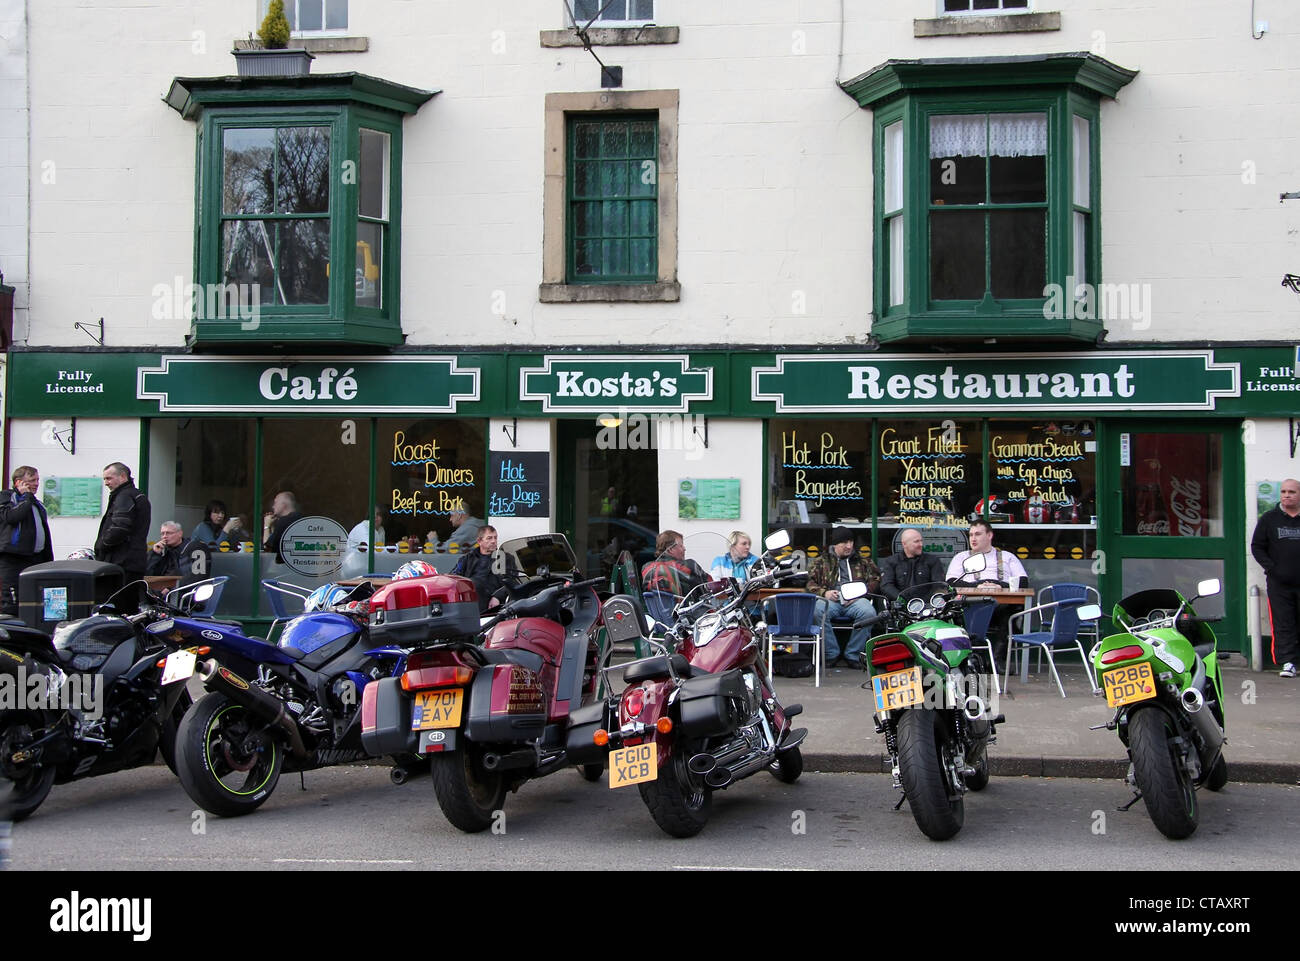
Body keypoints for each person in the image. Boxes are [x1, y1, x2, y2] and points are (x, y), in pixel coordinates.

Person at [946, 520, 1029, 662]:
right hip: (971, 606)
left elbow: (1023, 581)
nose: (973, 538)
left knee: (1009, 616)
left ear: (989, 535)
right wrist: (977, 586)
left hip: (1001, 607)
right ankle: (975, 660)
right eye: (971, 534)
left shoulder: (1007, 557)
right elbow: (951, 582)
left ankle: (997, 661)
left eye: (977, 534)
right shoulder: (962, 557)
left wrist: (1000, 585)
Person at [808, 527, 880, 669]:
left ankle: (853, 654)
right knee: (817, 610)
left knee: (869, 613)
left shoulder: (863, 561)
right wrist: (824, 593)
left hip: (856, 600)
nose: (849, 546)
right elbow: (810, 582)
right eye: (844, 543)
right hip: (832, 600)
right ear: (835, 544)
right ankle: (831, 653)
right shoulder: (821, 561)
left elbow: (875, 579)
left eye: (851, 541)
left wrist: (860, 593)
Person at [1251, 478, 1300, 677]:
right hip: (1280, 583)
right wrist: (1273, 568)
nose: (1287, 495)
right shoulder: (1269, 519)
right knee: (1283, 623)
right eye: (1284, 492)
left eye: (1292, 492)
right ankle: (1288, 663)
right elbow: (1257, 547)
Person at [0, 466, 53, 616]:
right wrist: (26, 497)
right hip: (13, 559)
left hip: (35, 559)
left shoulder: (36, 503)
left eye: (37, 480)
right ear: (19, 482)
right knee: (12, 601)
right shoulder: (7, 497)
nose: (36, 484)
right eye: (32, 480)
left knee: (35, 599)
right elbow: (11, 517)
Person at [95, 462, 151, 581]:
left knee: (116, 598)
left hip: (121, 562)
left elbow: (119, 528)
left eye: (109, 478)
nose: (106, 483)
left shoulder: (124, 496)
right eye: (104, 479)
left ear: (123, 476)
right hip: (134, 562)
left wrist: (101, 546)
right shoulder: (137, 496)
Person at [451, 525, 518, 613]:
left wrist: (498, 597)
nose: (494, 541)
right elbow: (454, 577)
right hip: (471, 599)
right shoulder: (467, 559)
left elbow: (511, 581)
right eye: (489, 538)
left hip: (495, 601)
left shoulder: (504, 558)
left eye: (495, 538)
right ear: (479, 541)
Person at [879, 528, 947, 600]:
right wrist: (901, 599)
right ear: (904, 544)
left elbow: (938, 585)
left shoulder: (933, 560)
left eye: (921, 541)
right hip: (900, 605)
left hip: (926, 606)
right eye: (916, 541)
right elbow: (886, 585)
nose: (920, 544)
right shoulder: (891, 562)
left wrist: (922, 603)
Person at [640, 530, 708, 596]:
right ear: (670, 549)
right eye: (681, 546)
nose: (684, 549)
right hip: (684, 606)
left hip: (656, 607)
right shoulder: (690, 565)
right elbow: (709, 586)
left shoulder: (647, 567)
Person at [146, 520, 211, 583]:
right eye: (162, 534)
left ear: (180, 534)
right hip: (160, 588)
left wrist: (171, 587)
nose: (164, 536)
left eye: (169, 533)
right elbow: (148, 574)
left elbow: (198, 576)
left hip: (184, 590)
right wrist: (155, 554)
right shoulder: (164, 551)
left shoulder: (196, 547)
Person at [263, 491, 301, 564]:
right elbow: (276, 542)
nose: (273, 506)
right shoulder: (299, 518)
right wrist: (273, 526)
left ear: (283, 505)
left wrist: (266, 525)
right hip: (298, 564)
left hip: (283, 567)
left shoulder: (284, 521)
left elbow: (268, 548)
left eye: (275, 503)